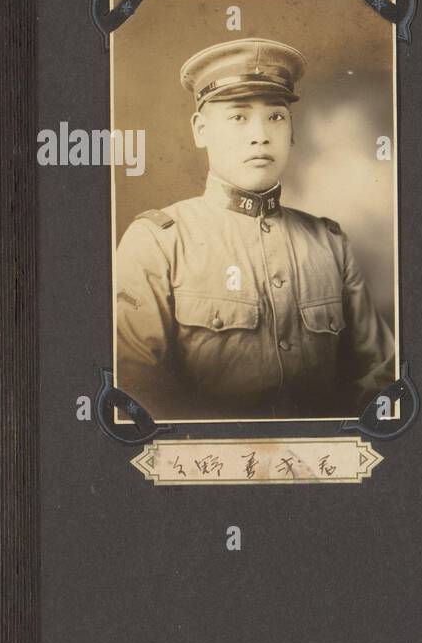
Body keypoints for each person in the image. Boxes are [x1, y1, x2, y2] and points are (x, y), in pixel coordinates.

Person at [113, 37, 394, 420]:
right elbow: (134, 387)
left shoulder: (329, 243)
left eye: (276, 116)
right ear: (200, 130)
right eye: (238, 116)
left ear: (292, 131)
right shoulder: (158, 241)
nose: (260, 134)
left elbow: (380, 375)